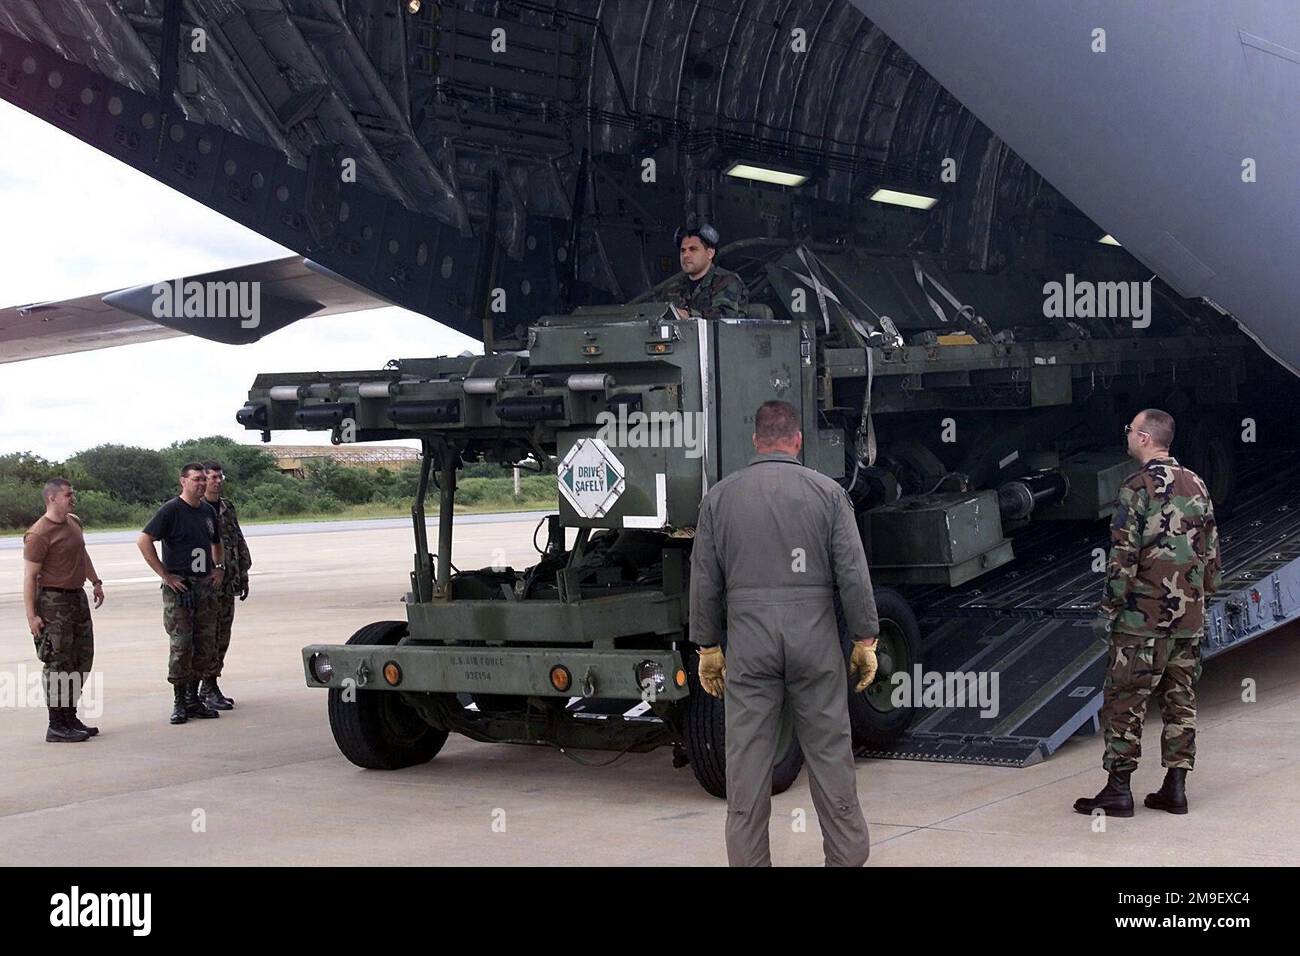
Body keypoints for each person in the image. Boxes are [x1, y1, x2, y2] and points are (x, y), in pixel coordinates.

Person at [689, 399, 878, 866]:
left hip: (750, 647)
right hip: (813, 641)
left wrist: (708, 645)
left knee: (747, 767)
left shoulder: (720, 498)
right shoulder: (827, 493)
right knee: (831, 758)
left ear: (755, 441)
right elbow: (853, 573)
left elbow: (705, 579)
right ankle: (846, 858)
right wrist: (865, 639)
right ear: (797, 441)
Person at [1075, 408, 1220, 817]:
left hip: (1142, 621)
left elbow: (1123, 558)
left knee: (1125, 699)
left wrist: (1108, 610)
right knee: (1181, 701)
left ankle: (1118, 790)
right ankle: (1176, 789)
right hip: (1188, 618)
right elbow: (1211, 554)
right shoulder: (1197, 484)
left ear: (1143, 438)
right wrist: (1202, 597)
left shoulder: (1136, 487)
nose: (1127, 437)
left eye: (1129, 431)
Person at [137, 462, 225, 725]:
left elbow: (216, 542)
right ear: (183, 482)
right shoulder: (171, 510)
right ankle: (179, 700)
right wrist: (165, 575)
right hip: (181, 586)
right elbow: (143, 540)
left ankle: (193, 698)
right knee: (181, 644)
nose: (201, 484)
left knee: (204, 643)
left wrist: (218, 568)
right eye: (195, 479)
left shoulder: (208, 511)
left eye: (202, 480)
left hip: (204, 585)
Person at [23, 478, 104, 742]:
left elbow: (82, 553)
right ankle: (56, 723)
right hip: (53, 602)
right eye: (68, 495)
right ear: (52, 498)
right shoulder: (39, 534)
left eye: (72, 494)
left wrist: (95, 581)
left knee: (82, 658)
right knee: (58, 662)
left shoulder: (73, 522)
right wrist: (32, 615)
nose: (73, 498)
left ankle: (70, 715)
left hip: (76, 598)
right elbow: (29, 577)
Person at [200, 460, 251, 710]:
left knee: (222, 635)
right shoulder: (195, 509)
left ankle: (210, 684)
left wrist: (243, 572)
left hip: (228, 581)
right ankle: (206, 687)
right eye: (212, 478)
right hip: (206, 583)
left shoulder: (226, 507)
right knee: (207, 636)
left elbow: (237, 539)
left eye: (220, 477)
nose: (217, 481)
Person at [663, 224, 750, 320]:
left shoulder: (727, 281)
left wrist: (689, 315)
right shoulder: (673, 288)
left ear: (710, 254)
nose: (686, 255)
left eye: (693, 249)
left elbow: (725, 316)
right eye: (683, 250)